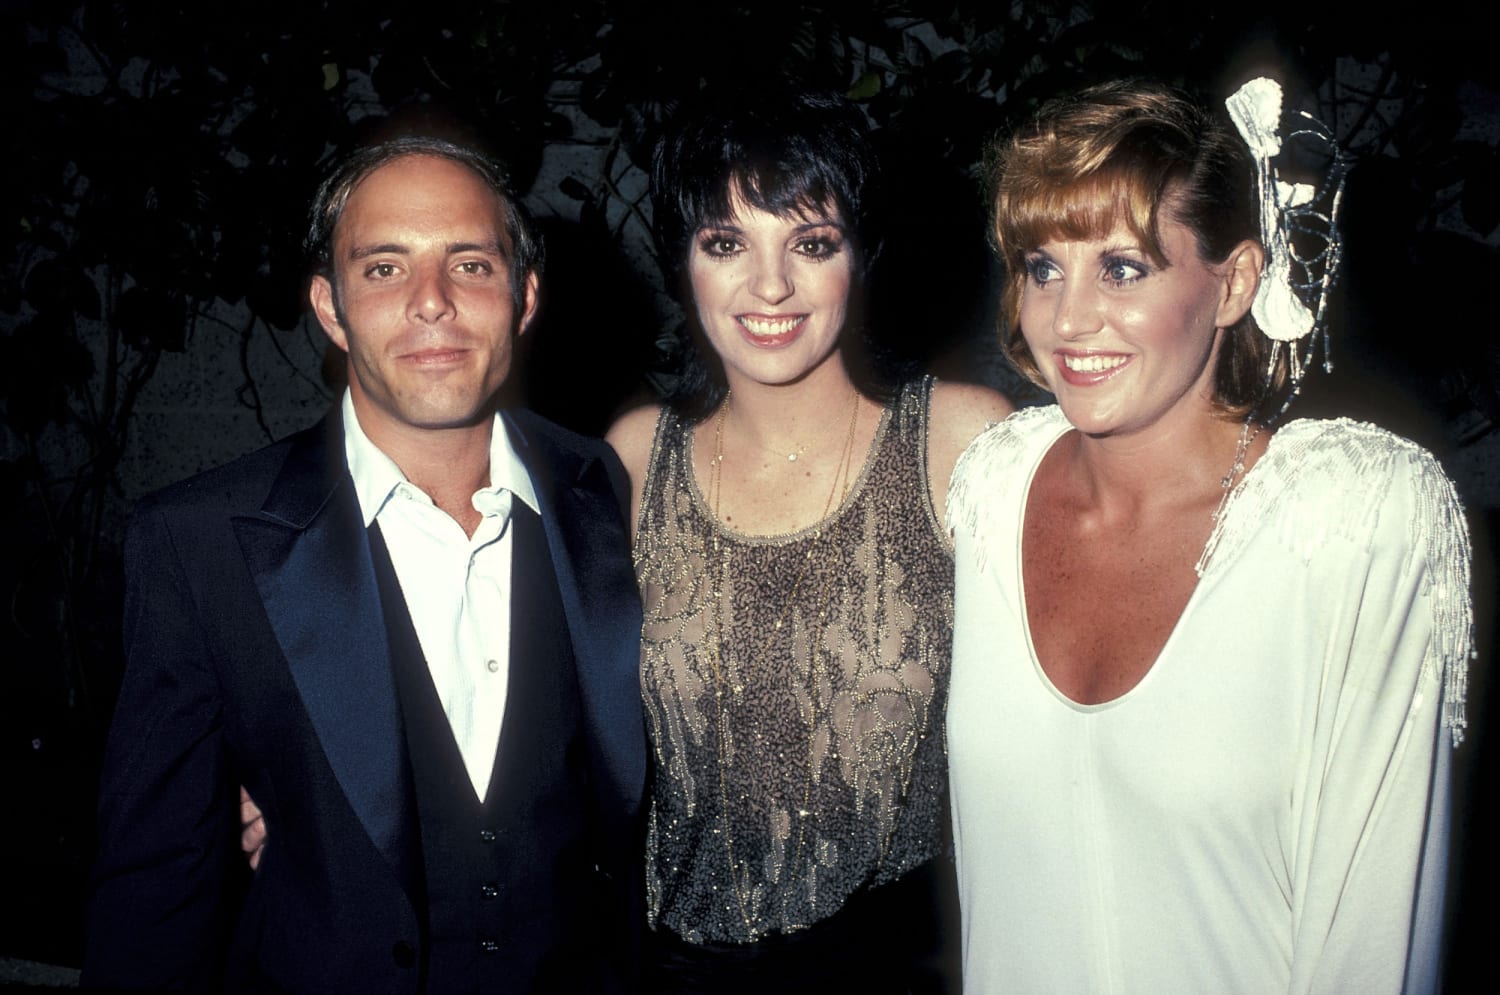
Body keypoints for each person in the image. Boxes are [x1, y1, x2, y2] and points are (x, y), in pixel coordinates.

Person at [83, 134, 646, 992]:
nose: (432, 302)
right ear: (330, 305)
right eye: (384, 268)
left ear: (524, 297)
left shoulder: (603, 489)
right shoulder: (200, 541)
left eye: (471, 264)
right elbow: (156, 888)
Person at [945, 79, 1471, 993]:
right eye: (1041, 267)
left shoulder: (1350, 521)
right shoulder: (993, 487)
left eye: (1121, 268)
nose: (1068, 320)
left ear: (1234, 282)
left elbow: (1372, 936)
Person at [605, 89, 1012, 992]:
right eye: (725, 244)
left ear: (860, 257)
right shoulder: (634, 458)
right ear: (684, 264)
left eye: (811, 242)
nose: (771, 285)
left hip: (901, 969)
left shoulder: (961, 440)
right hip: (672, 971)